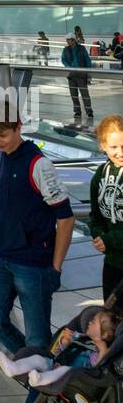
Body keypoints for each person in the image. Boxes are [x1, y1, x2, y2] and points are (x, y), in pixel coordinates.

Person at [0, 110, 75, 359]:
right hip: (2, 257)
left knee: (38, 338)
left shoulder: (40, 164)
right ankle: (34, 366)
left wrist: (56, 268)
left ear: (18, 127)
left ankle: (40, 376)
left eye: (3, 134)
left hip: (34, 263)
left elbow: (65, 217)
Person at [0, 306, 120, 386]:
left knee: (65, 370)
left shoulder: (97, 353)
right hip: (54, 363)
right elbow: (60, 348)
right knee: (38, 359)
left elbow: (99, 368)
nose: (89, 322)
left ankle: (41, 379)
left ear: (104, 334)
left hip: (71, 378)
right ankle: (14, 368)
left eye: (93, 322)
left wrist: (102, 346)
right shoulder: (79, 336)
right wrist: (64, 342)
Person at [89, 115, 123, 300]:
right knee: (110, 320)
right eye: (114, 147)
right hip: (112, 263)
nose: (120, 152)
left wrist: (109, 240)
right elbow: (95, 215)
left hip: (114, 248)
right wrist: (98, 235)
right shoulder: (101, 174)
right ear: (103, 146)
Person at [62, 33, 93, 119]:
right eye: (67, 41)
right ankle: (77, 111)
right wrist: (68, 67)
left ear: (73, 40)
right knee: (74, 94)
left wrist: (88, 72)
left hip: (81, 74)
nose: (68, 42)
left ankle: (89, 111)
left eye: (69, 40)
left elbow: (87, 59)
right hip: (71, 74)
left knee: (85, 94)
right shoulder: (66, 49)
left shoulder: (81, 48)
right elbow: (63, 59)